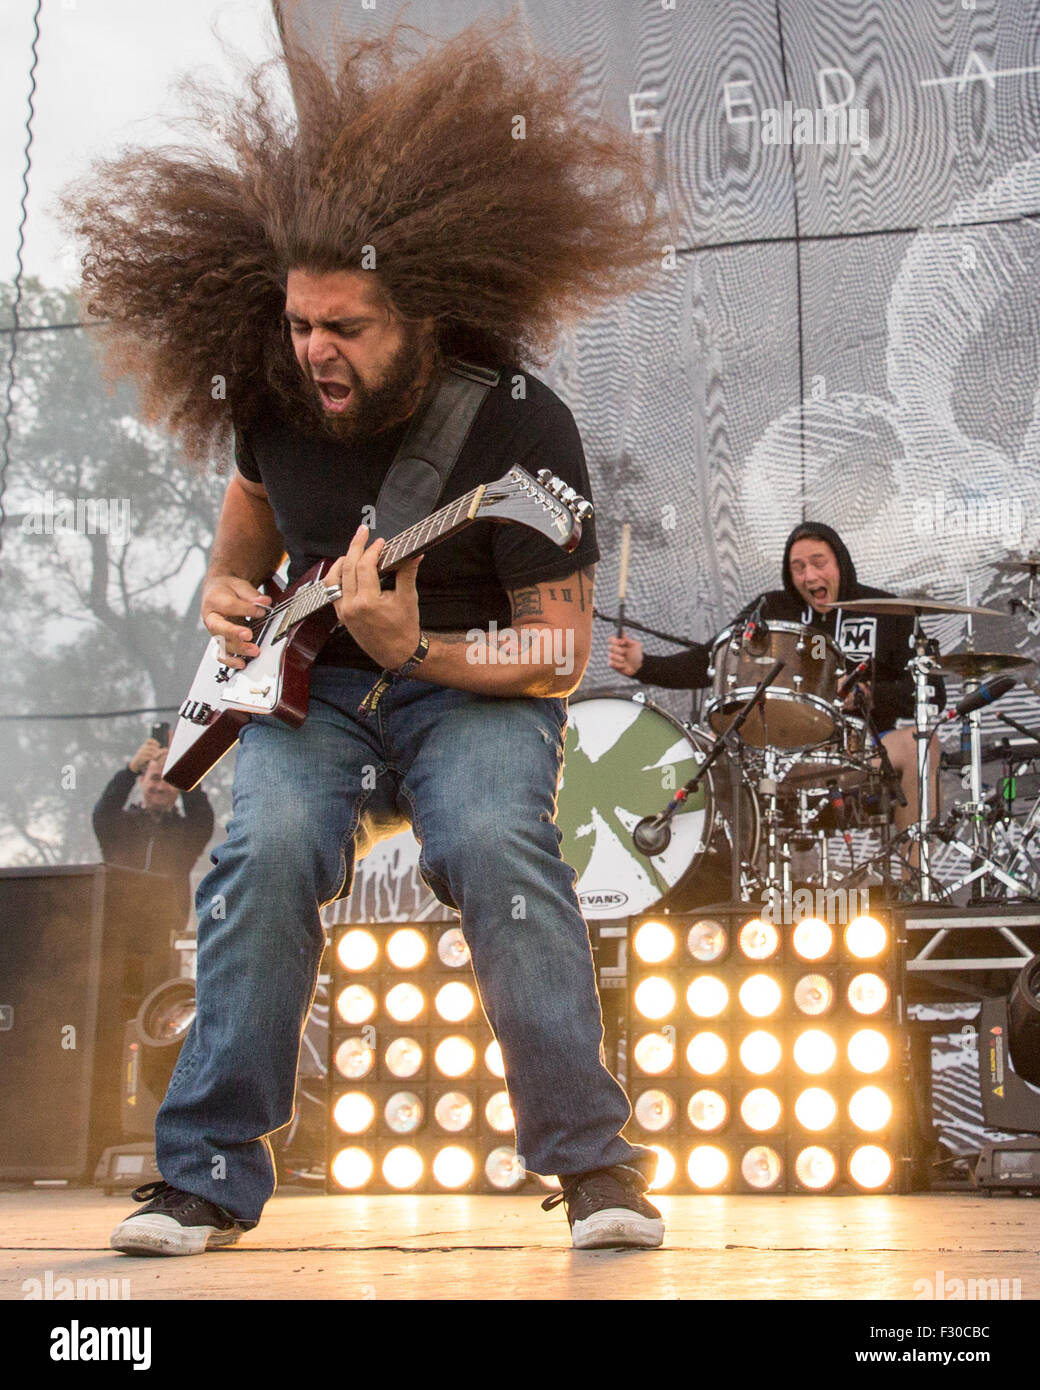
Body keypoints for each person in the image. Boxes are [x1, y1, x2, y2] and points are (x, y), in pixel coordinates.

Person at [67, 22, 665, 1254]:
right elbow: (248, 513)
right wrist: (224, 597)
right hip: (308, 689)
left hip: (468, 687)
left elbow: (557, 652)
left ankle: (591, 1166)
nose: (313, 352)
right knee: (263, 855)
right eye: (298, 323)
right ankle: (201, 1178)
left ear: (424, 318)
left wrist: (412, 650)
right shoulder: (275, 395)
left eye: (345, 327)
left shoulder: (517, 430)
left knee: (499, 848)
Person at [609, 521, 945, 854]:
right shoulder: (771, 609)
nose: (809, 576)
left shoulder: (888, 612)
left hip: (862, 749)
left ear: (840, 562)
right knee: (712, 751)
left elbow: (933, 693)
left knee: (921, 745)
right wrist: (644, 665)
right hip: (778, 753)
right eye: (798, 568)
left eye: (818, 562)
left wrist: (867, 693)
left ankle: (915, 882)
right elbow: (711, 660)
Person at [92, 735, 214, 925]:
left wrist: (184, 769)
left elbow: (203, 818)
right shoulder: (118, 826)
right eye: (155, 778)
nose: (160, 787)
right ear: (141, 780)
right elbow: (104, 809)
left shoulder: (186, 833)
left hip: (165, 934)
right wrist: (130, 770)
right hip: (115, 933)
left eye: (169, 780)